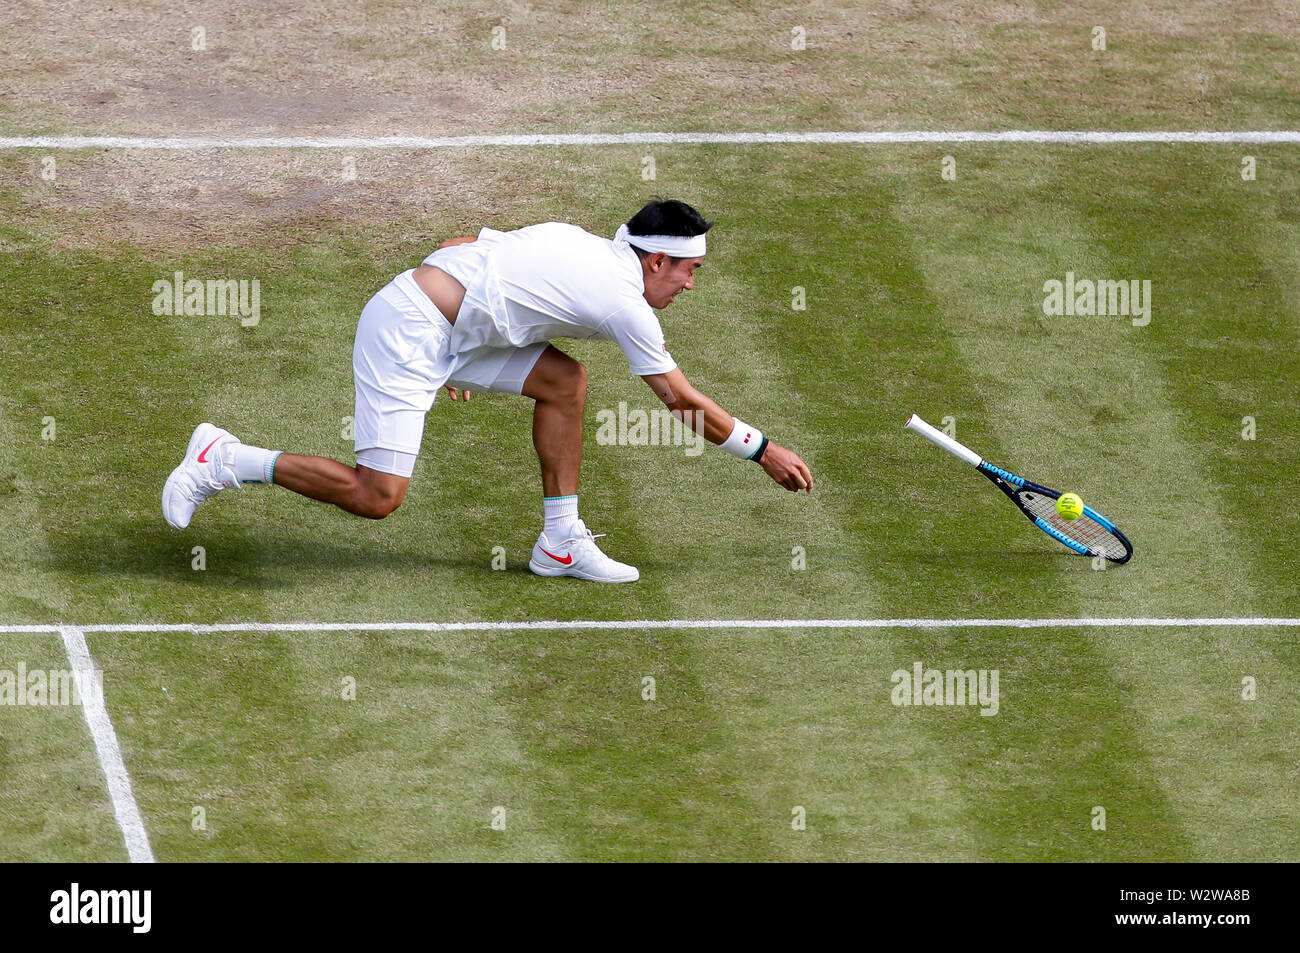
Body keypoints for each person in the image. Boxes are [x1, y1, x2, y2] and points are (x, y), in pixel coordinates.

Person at [162, 199, 813, 582]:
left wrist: (471, 336)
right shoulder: (626, 303)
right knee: (377, 495)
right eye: (689, 271)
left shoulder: (580, 243)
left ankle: (560, 542)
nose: (690, 285)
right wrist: (764, 451)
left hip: (453, 328)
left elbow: (460, 244)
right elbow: (679, 400)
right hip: (408, 332)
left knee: (564, 380)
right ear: (655, 261)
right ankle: (222, 459)